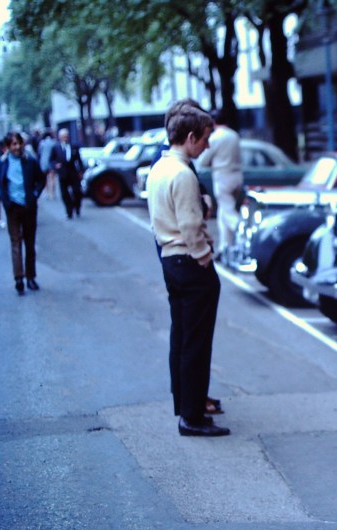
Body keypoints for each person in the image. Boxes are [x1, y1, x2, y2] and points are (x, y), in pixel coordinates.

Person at [146, 101, 229, 437]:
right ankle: (192, 417)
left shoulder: (159, 168)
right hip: (190, 262)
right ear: (191, 137)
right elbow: (191, 226)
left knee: (182, 337)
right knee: (197, 342)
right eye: (205, 139)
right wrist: (205, 257)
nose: (207, 146)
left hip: (171, 259)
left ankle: (185, 405)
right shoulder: (182, 174)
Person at [0, 132, 46, 295]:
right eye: (13, 144)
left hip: (28, 206)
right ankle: (18, 278)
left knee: (30, 243)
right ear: (8, 147)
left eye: (18, 143)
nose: (16, 147)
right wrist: (4, 199)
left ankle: (31, 277)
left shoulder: (30, 161)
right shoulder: (2, 163)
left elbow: (41, 179)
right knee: (15, 242)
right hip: (13, 208)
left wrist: (35, 194)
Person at [197, 109, 242, 261]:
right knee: (223, 213)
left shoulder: (216, 137)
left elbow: (203, 160)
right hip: (237, 175)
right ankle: (225, 247)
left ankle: (245, 234)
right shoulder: (234, 135)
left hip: (223, 176)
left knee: (228, 213)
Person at [51, 128, 84, 219]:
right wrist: (55, 165)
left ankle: (77, 207)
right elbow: (51, 160)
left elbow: (79, 160)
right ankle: (69, 211)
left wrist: (81, 171)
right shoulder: (56, 147)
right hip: (62, 173)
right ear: (60, 137)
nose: (65, 138)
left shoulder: (73, 147)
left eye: (66, 136)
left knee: (77, 191)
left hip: (73, 172)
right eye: (63, 137)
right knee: (65, 194)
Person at [38, 130, 57, 200]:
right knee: (52, 178)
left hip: (43, 162)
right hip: (51, 162)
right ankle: (52, 193)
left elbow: (39, 153)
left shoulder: (42, 143)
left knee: (45, 178)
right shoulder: (53, 143)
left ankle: (47, 192)